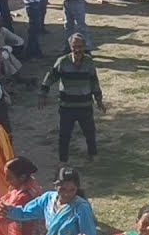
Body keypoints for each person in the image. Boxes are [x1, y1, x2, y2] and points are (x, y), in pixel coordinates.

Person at [40, 33, 104, 165]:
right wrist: (43, 94)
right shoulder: (62, 62)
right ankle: (63, 160)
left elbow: (94, 81)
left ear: (84, 47)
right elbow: (50, 77)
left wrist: (99, 100)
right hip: (67, 106)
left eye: (80, 46)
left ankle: (93, 154)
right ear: (70, 47)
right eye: (74, 46)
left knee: (89, 132)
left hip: (85, 105)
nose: (77, 50)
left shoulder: (88, 62)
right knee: (64, 134)